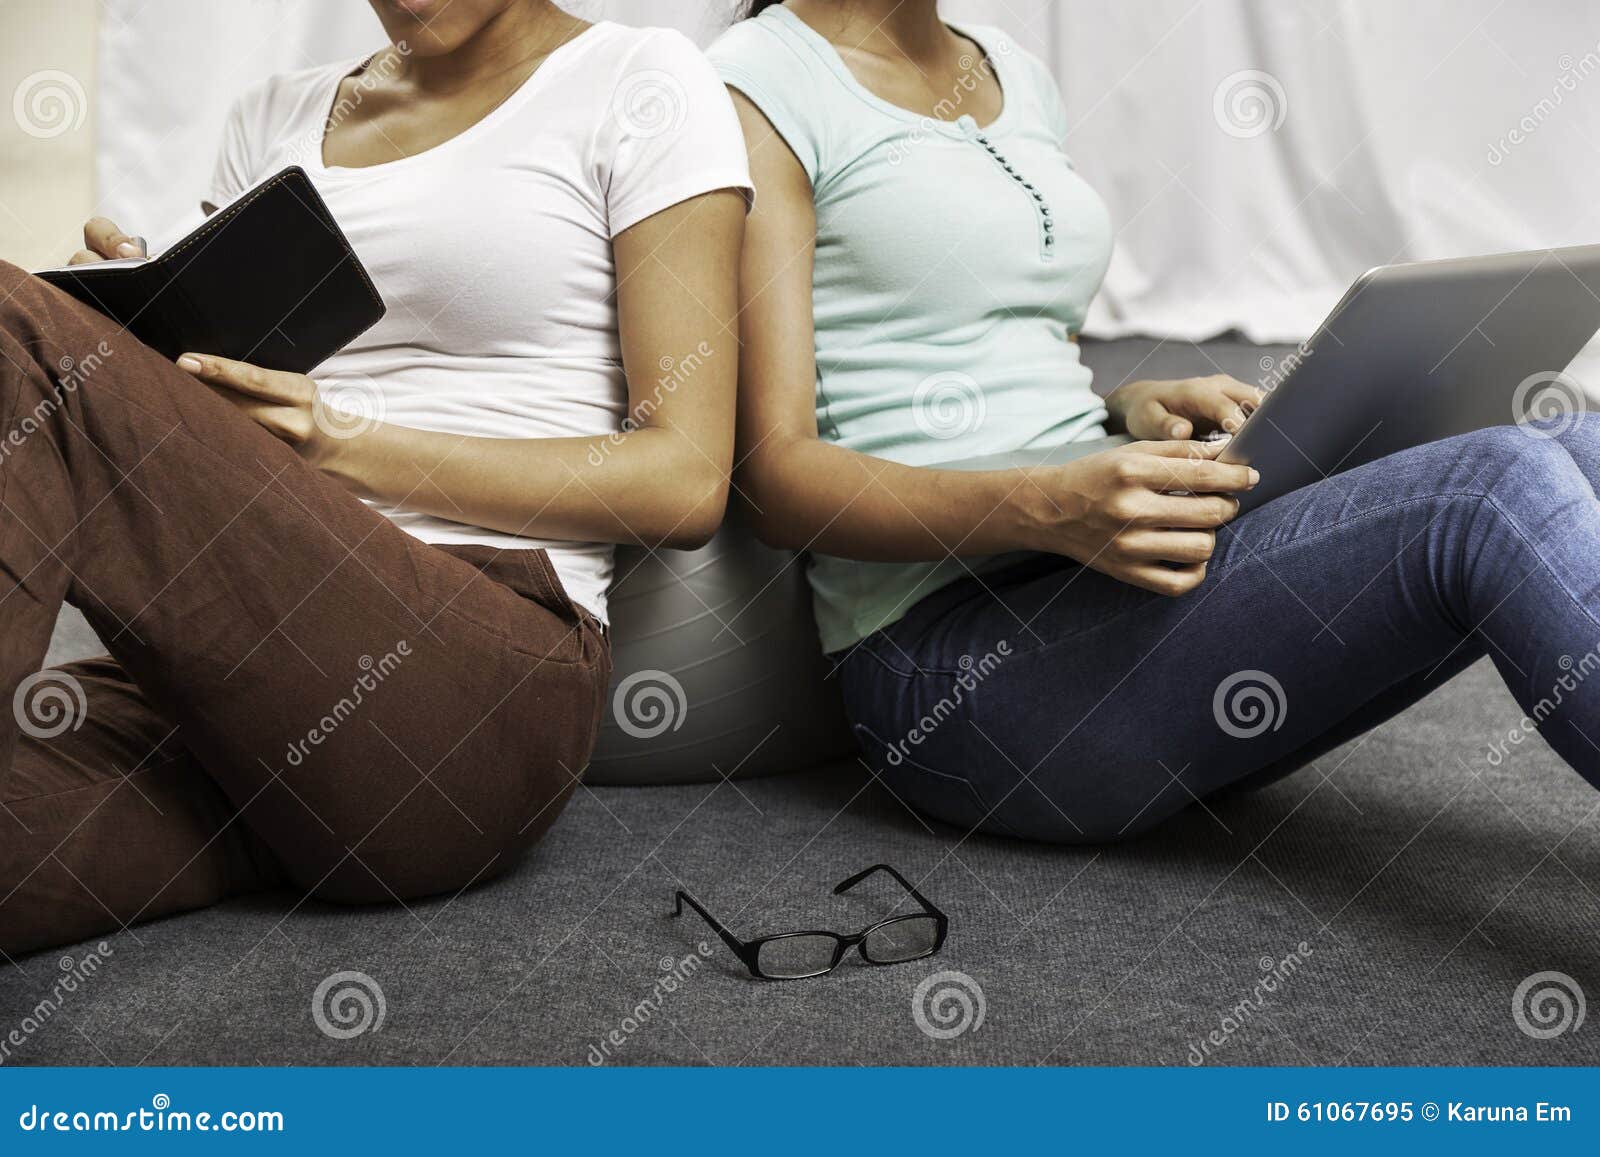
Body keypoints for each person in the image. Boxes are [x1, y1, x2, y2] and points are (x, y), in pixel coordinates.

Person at [710, 0, 1600, 842]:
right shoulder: (757, 83)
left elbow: (1002, 349)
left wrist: (1123, 410)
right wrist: (1048, 504)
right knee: (1493, 490)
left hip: (1100, 576)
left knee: (1577, 437)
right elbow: (777, 481)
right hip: (948, 664)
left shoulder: (1007, 67)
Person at [0, 0, 750, 956]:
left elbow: (685, 481)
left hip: (480, 678)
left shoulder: (642, 81)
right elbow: (242, 436)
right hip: (250, 684)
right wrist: (138, 333)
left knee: (11, 321)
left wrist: (342, 440)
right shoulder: (273, 114)